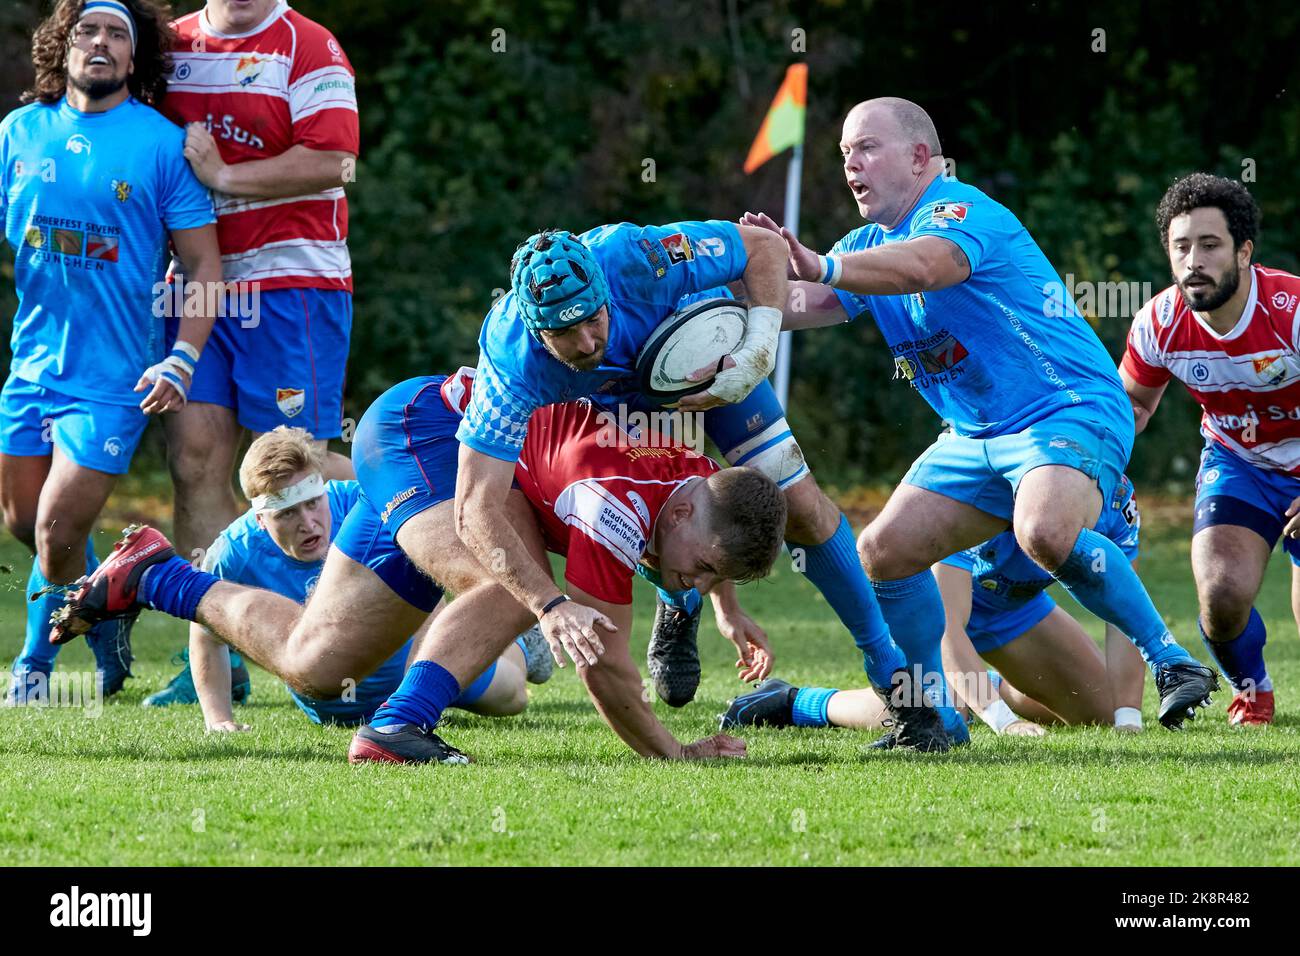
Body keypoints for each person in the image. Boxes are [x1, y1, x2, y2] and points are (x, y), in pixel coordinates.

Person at [748, 96, 1218, 737]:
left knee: (1045, 531)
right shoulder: (864, 245)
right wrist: (731, 283)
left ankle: (1172, 661)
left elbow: (926, 265)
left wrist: (823, 263)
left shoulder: (960, 211)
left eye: (865, 148)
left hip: (1067, 406)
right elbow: (803, 301)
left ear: (919, 157)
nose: (850, 164)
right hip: (978, 436)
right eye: (843, 154)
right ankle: (929, 715)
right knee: (883, 552)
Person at [51, 370, 785, 764]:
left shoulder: (690, 485)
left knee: (315, 660)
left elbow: (699, 541)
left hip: (456, 463)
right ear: (686, 511)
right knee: (521, 585)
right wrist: (674, 753)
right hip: (424, 434)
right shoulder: (615, 505)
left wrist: (722, 604)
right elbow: (607, 663)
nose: (689, 581)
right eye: (702, 570)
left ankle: (154, 575)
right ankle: (399, 726)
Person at [450, 224, 946, 749]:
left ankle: (891, 676)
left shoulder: (637, 259)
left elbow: (766, 247)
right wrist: (548, 605)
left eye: (595, 319)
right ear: (535, 331)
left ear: (604, 289)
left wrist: (758, 345)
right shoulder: (509, 364)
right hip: (601, 407)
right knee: (625, 507)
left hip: (697, 362)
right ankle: (678, 593)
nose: (587, 342)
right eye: (564, 335)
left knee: (801, 507)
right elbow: (474, 509)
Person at [0, 0, 220, 703]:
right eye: (87, 31)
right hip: (31, 366)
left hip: (115, 377)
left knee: (57, 528)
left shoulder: (161, 143)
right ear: (63, 48)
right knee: (23, 526)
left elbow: (203, 267)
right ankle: (107, 619)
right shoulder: (18, 131)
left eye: (116, 35)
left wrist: (181, 358)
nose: (100, 43)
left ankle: (32, 666)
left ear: (133, 59)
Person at [149, 0, 360, 701]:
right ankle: (217, 654)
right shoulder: (168, 45)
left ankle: (443, 518)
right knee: (195, 457)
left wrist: (227, 178)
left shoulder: (308, 44)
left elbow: (336, 161)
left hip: (292, 282)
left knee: (295, 459)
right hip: (198, 282)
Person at [185, 427, 549, 731]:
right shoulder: (232, 553)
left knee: (511, 698)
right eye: (287, 514)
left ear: (323, 488)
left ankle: (518, 642)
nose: (308, 522)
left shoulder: (365, 506)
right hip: (332, 706)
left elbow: (424, 573)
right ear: (261, 520)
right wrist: (218, 719)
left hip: (415, 662)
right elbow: (205, 629)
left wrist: (419, 690)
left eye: (313, 502)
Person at [723, 476, 1149, 734]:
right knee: (945, 714)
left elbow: (1123, 612)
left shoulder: (1116, 499)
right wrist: (1002, 721)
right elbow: (948, 629)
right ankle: (796, 702)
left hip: (1014, 609)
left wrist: (1130, 718)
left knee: (1101, 711)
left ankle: (991, 688)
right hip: (936, 608)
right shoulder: (983, 484)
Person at [1122, 173, 1299, 725]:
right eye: (1181, 247)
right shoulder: (1159, 322)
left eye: (1210, 244)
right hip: (1239, 463)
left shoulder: (1291, 310)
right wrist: (1086, 463)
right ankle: (1252, 689)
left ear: (1244, 252)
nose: (1193, 260)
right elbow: (1133, 407)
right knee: (1220, 598)